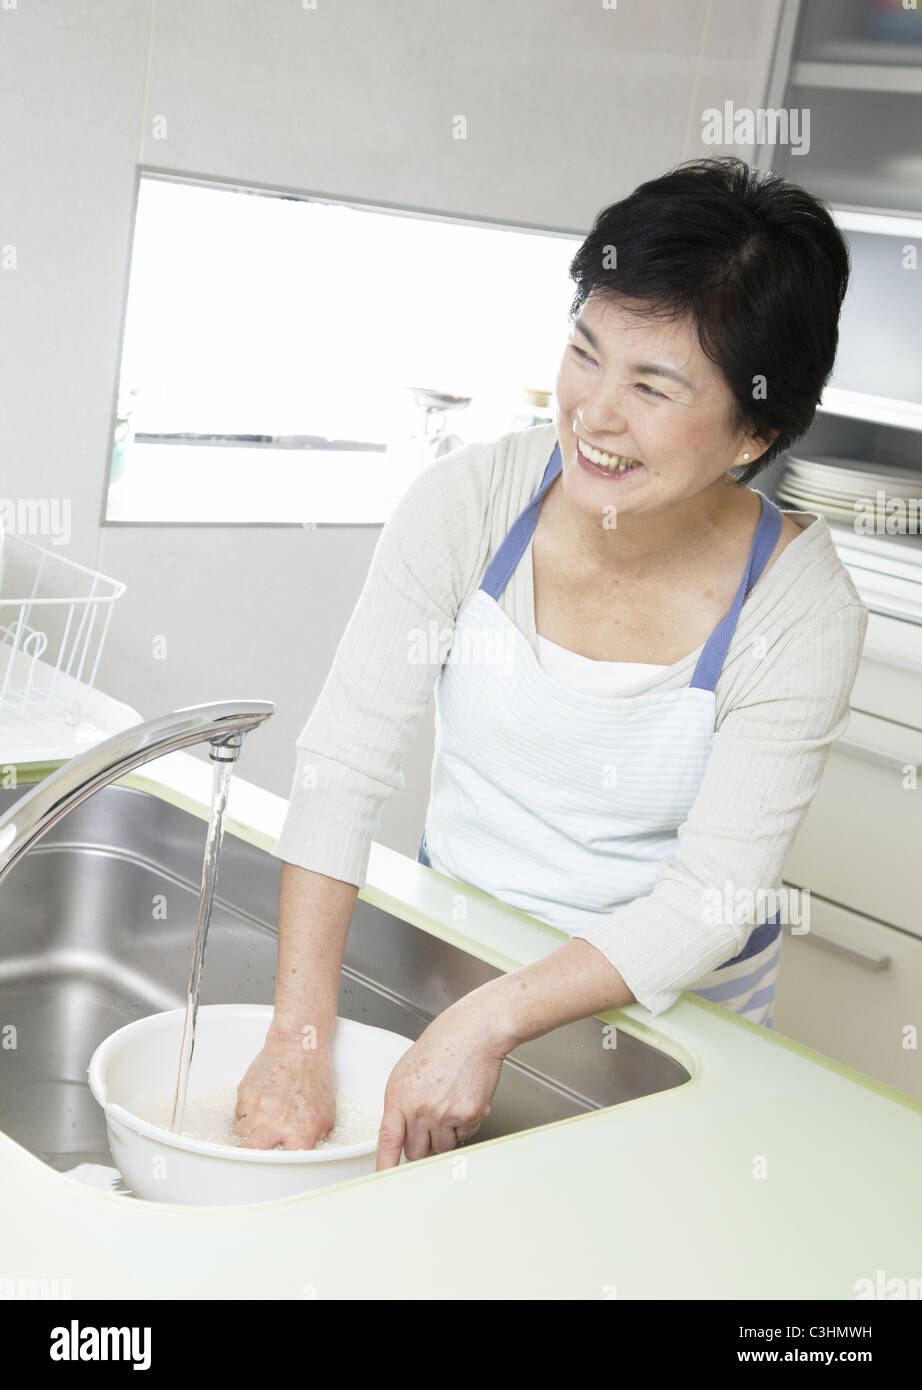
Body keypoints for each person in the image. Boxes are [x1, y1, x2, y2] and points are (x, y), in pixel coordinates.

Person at [234, 156, 868, 1169]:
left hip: (674, 1037)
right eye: (586, 352)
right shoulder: (471, 504)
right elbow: (343, 770)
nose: (594, 414)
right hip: (453, 967)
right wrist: (297, 1037)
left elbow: (710, 896)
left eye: (653, 387)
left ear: (758, 429)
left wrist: (493, 1021)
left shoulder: (800, 610)